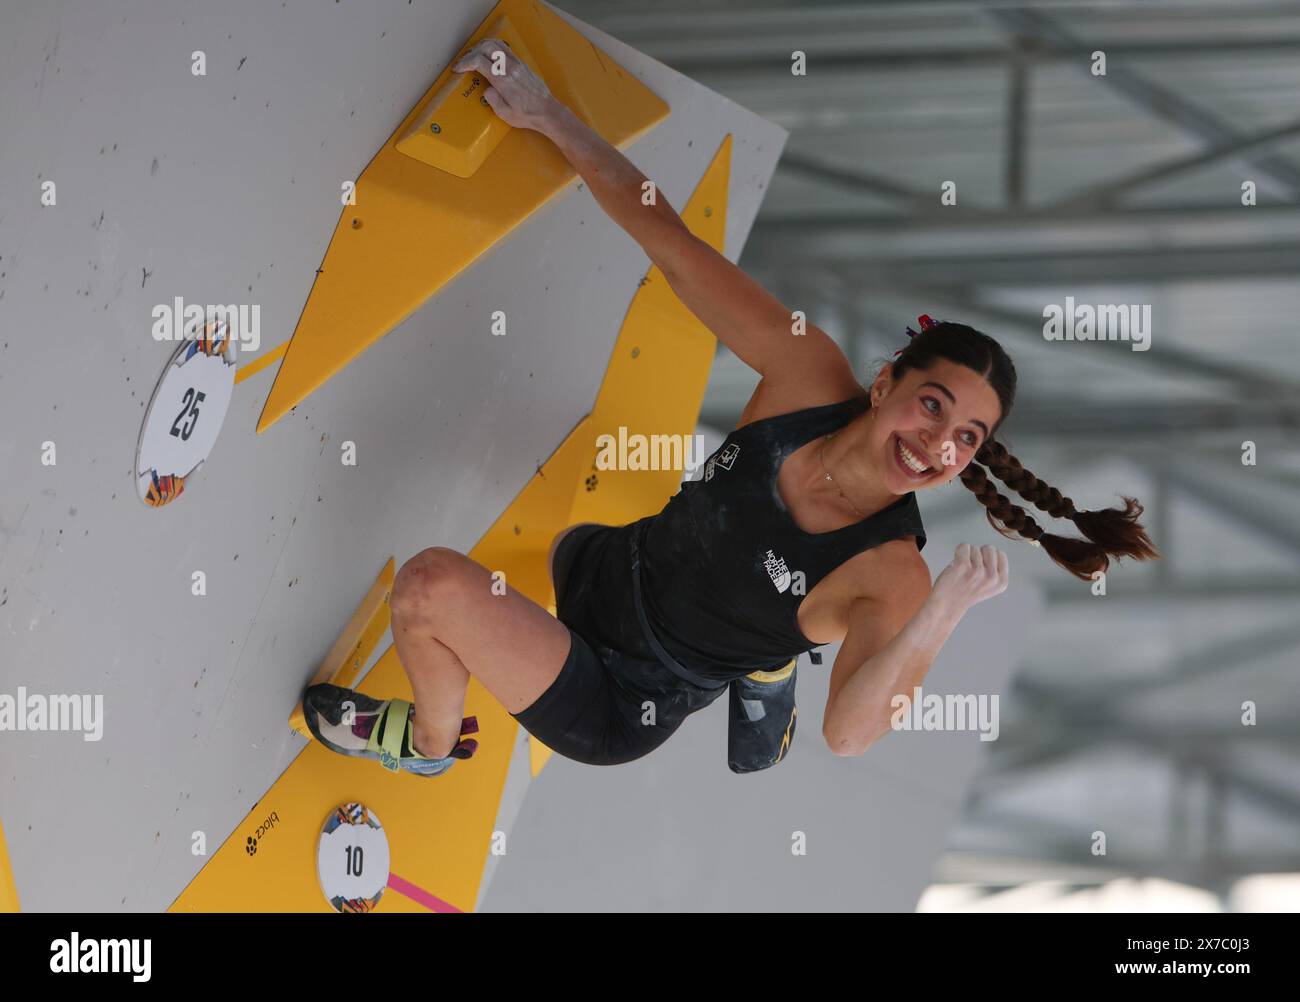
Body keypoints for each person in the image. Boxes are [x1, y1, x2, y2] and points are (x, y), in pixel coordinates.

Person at [302, 39, 1159, 777]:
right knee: (563, 545)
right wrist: (549, 116)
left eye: (965, 439)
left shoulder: (890, 572)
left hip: (625, 699)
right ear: (887, 379)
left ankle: (420, 742)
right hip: (605, 566)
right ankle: (771, 662)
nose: (938, 444)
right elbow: (671, 246)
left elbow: (850, 733)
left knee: (428, 589)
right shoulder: (804, 369)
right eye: (934, 407)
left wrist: (938, 615)